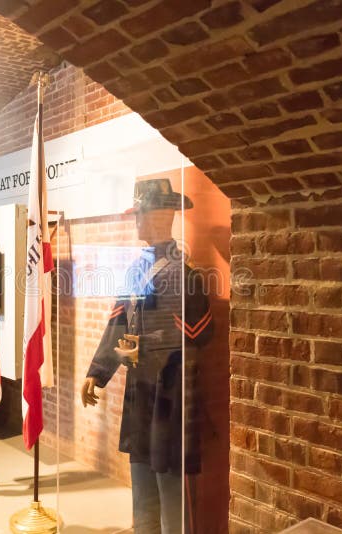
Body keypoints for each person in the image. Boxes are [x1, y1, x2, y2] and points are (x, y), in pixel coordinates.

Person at [80, 179, 213, 534]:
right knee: (141, 484)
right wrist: (98, 371)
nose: (136, 220)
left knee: (170, 487)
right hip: (140, 392)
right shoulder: (136, 269)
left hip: (172, 395)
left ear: (161, 215)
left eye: (141, 213)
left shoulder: (186, 276)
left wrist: (147, 343)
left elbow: (200, 336)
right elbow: (117, 322)